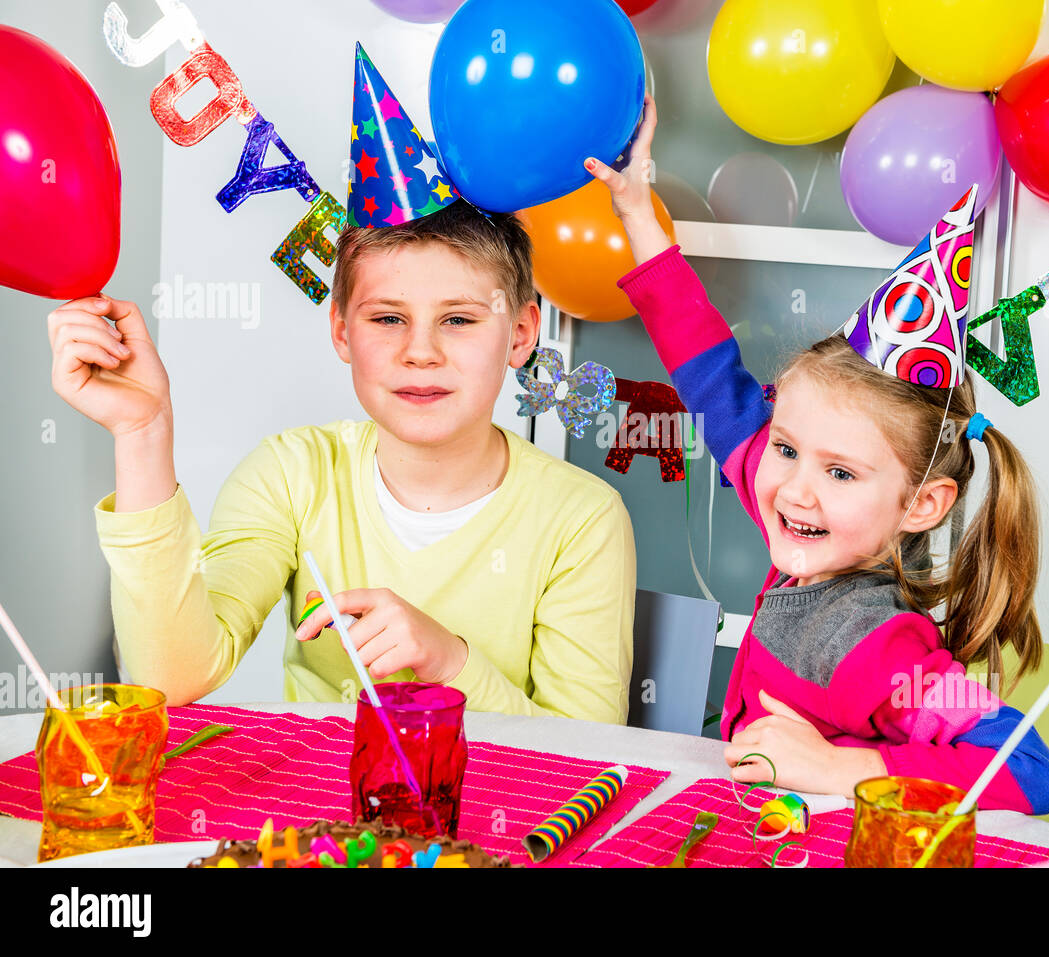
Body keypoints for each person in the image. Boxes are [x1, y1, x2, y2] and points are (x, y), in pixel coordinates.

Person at [587, 95, 1049, 812]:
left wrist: (845, 767)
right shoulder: (790, 497)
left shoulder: (876, 647)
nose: (794, 489)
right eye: (786, 447)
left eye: (841, 471)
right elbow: (709, 371)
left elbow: (1029, 771)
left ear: (921, 504)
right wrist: (634, 211)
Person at [47, 200, 635, 720]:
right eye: (387, 319)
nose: (420, 353)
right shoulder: (291, 473)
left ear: (520, 333)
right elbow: (168, 680)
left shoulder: (582, 519)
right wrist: (143, 430)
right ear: (342, 332)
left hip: (495, 834)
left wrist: (448, 660)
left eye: (457, 320)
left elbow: (587, 762)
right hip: (318, 832)